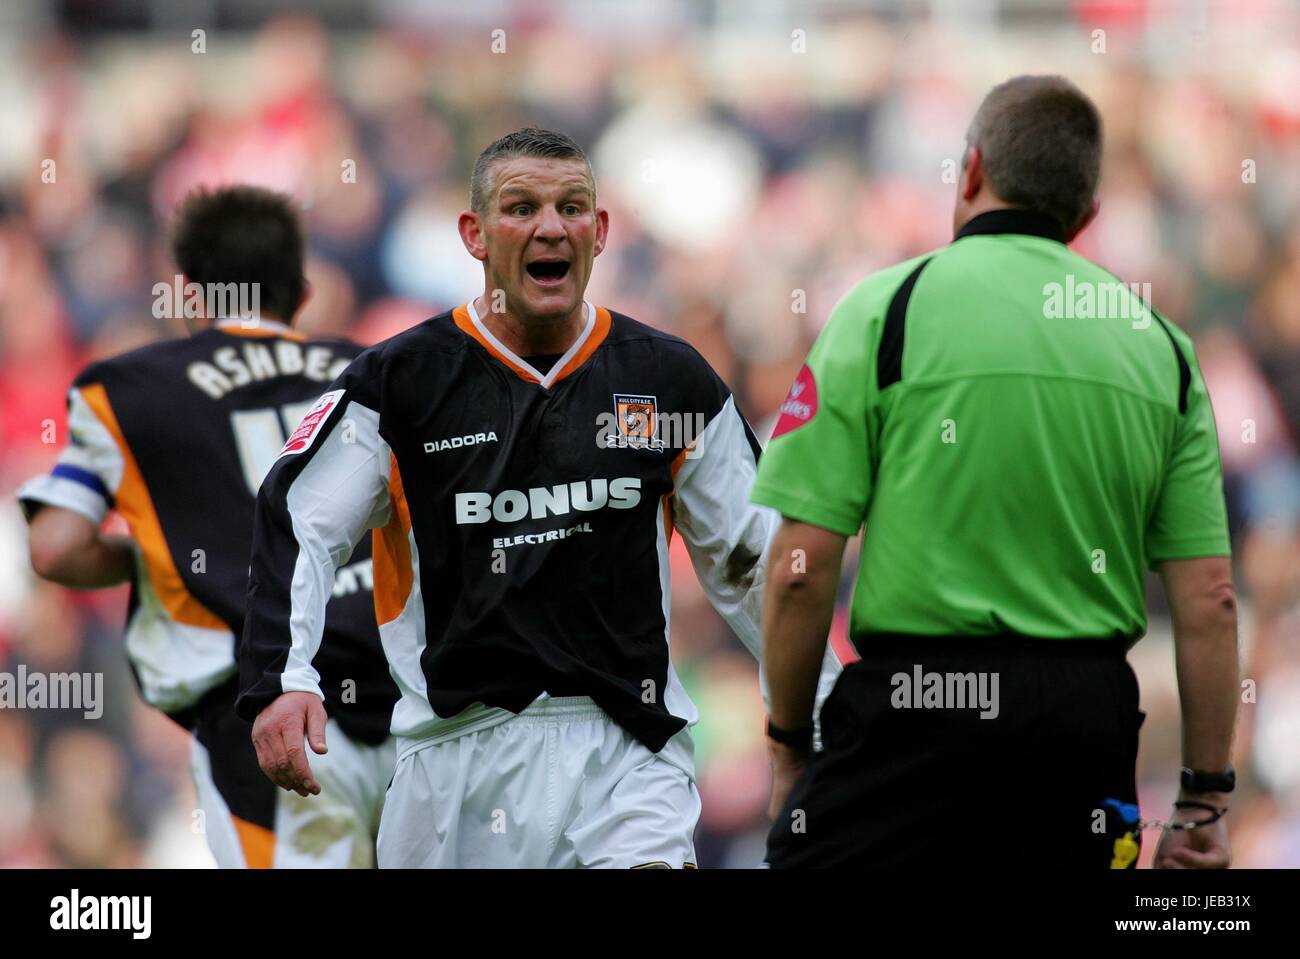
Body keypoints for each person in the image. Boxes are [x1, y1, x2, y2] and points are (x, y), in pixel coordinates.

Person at [238, 127, 841, 868]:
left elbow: (758, 562)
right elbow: (300, 518)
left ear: (601, 231)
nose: (551, 226)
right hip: (453, 762)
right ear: (475, 235)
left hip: (627, 753)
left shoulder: (670, 380)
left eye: (572, 208)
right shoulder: (397, 385)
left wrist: (819, 717)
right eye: (521, 207)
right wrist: (281, 676)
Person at [751, 76, 1238, 869]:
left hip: (914, 709)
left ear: (971, 170)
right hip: (1086, 730)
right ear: (1086, 217)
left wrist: (787, 747)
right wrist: (1203, 797)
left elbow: (800, 570)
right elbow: (1211, 596)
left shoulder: (884, 313)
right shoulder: (1161, 347)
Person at [20, 185, 398, 868]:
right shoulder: (373, 371)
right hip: (414, 707)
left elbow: (55, 547)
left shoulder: (126, 390)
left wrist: (151, 555)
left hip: (265, 722)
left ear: (189, 295)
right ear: (303, 291)